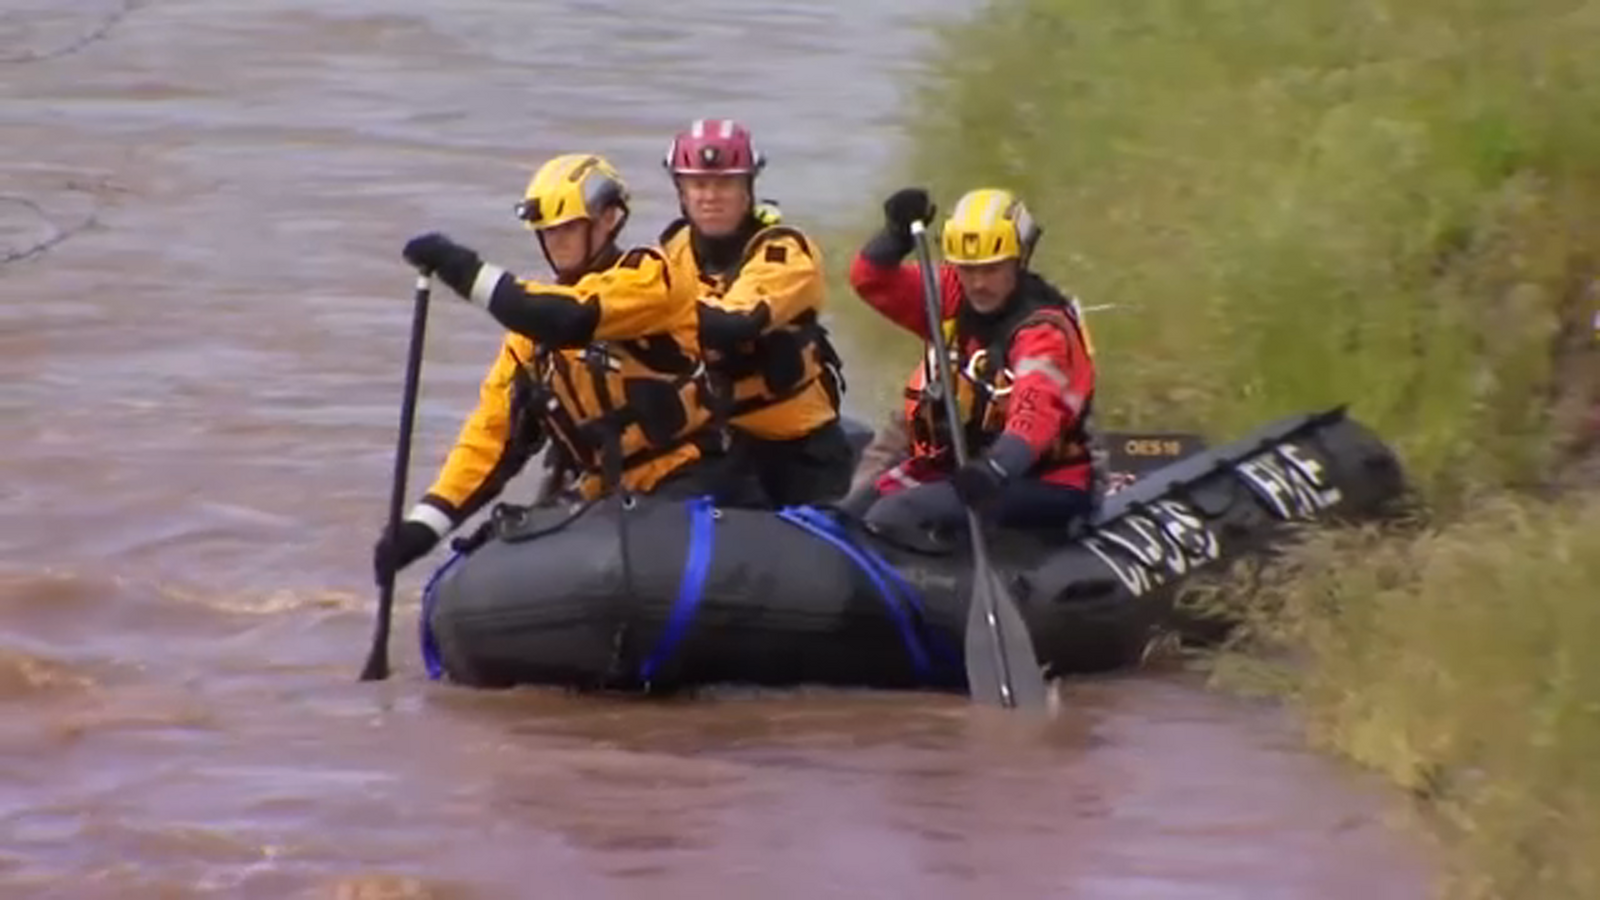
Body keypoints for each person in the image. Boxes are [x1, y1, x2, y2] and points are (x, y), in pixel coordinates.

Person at [372, 152, 749, 584]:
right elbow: (491, 439)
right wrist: (424, 526)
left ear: (609, 219)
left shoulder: (651, 276)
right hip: (603, 494)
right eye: (547, 232)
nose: (556, 241)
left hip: (689, 476)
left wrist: (460, 267)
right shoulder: (528, 339)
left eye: (568, 227)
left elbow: (569, 318)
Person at [845, 186, 1099, 537]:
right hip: (967, 467)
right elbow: (871, 281)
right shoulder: (952, 292)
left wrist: (994, 468)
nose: (978, 283)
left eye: (992, 269)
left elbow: (1033, 421)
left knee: (896, 514)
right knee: (852, 512)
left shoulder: (1044, 332)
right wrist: (895, 234)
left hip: (1046, 481)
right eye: (968, 269)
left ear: (1018, 260)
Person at [657, 118, 854, 507]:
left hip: (797, 452)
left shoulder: (786, 252)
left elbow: (734, 324)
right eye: (698, 184)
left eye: (725, 184)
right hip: (720, 442)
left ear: (748, 190)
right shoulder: (674, 249)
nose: (710, 196)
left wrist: (644, 315)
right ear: (681, 192)